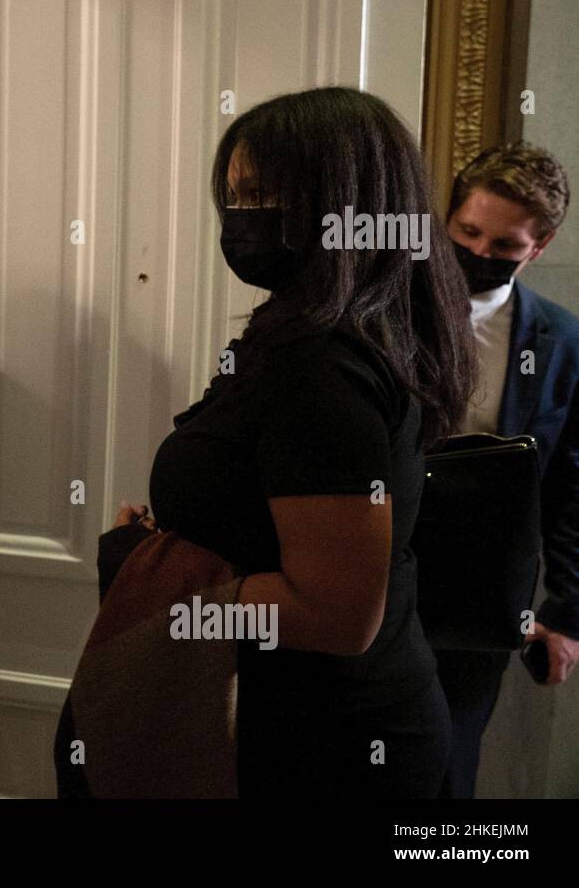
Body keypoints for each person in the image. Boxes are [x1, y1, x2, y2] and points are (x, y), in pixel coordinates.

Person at [90, 87, 478, 797]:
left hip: (322, 747)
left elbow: (332, 614)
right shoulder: (335, 331)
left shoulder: (321, 363)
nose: (241, 220)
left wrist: (153, 574)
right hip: (318, 721)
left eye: (265, 196)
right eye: (236, 196)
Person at [435, 142, 579, 798]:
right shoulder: (378, 307)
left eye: (505, 245)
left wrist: (566, 611)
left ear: (539, 246)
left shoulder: (562, 342)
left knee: (448, 765)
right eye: (467, 233)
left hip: (481, 597)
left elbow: (573, 480)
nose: (480, 254)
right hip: (364, 568)